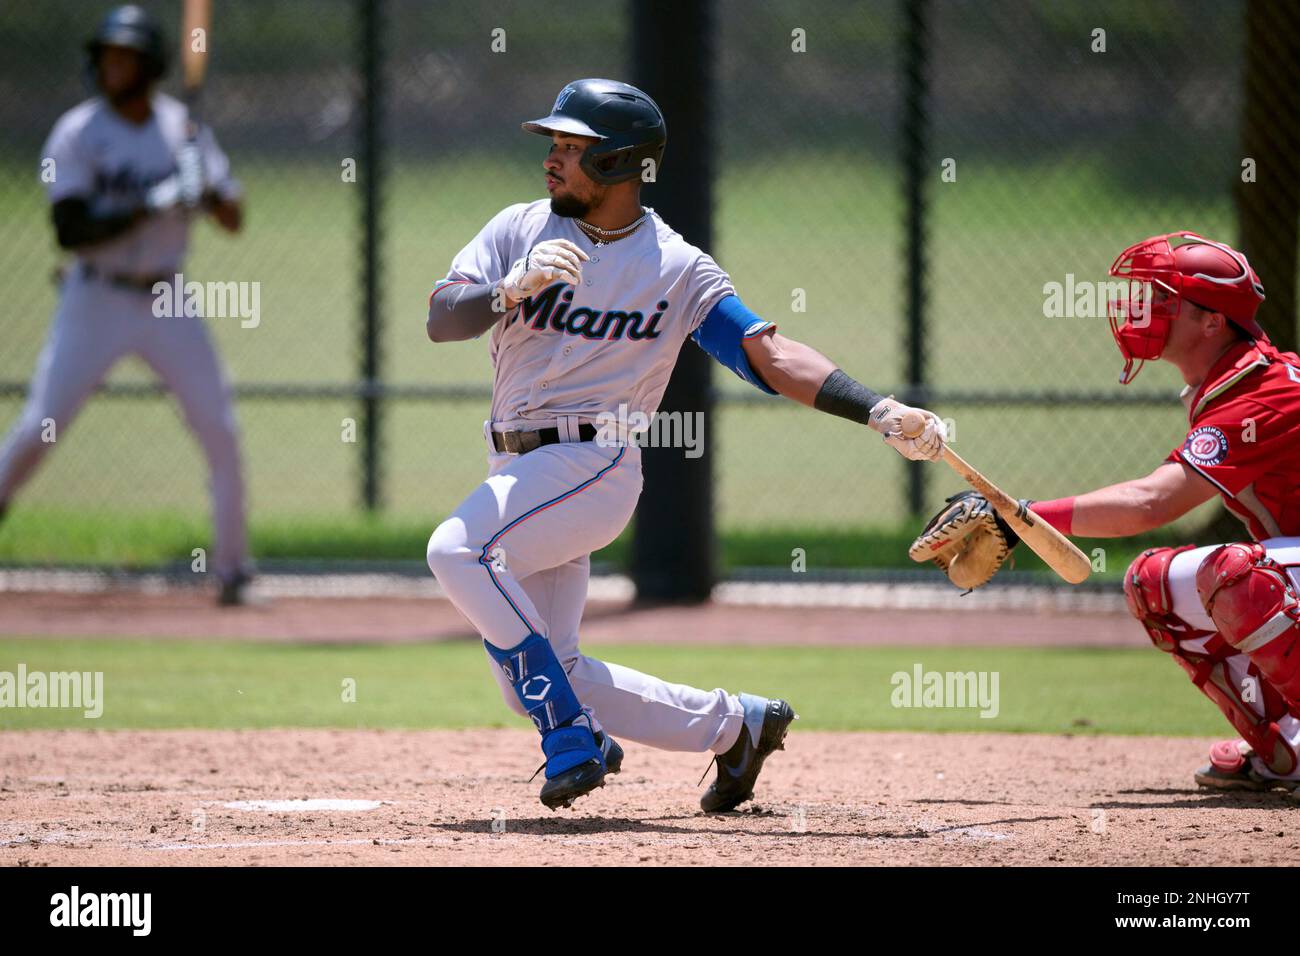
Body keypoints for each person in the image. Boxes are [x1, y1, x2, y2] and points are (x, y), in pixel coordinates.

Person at [425, 78, 948, 811]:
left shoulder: (673, 267)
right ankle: (738, 726)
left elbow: (769, 356)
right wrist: (506, 291)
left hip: (592, 462)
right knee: (547, 674)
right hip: (517, 468)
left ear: (619, 163)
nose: (553, 159)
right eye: (555, 145)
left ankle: (571, 736)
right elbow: (443, 319)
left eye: (574, 149)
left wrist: (878, 410)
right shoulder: (519, 228)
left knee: (455, 550)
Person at [912, 231, 1300, 796]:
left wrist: (1019, 515)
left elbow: (1152, 502)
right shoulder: (1229, 384)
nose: (1143, 310)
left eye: (1164, 300)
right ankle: (1284, 748)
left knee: (1241, 577)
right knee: (1152, 583)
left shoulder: (1265, 393)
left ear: (1213, 321)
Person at [0, 6, 252, 605]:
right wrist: (155, 200)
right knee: (41, 425)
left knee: (219, 428)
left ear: (150, 66)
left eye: (126, 58)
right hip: (96, 296)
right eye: (107, 57)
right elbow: (70, 228)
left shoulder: (182, 129)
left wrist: (206, 188)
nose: (113, 68)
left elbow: (235, 219)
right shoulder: (77, 133)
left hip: (167, 297)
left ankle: (234, 573)